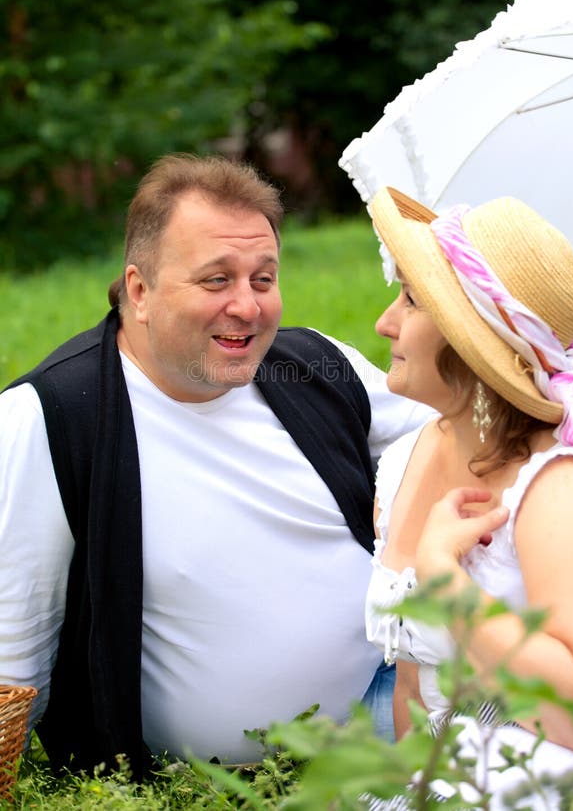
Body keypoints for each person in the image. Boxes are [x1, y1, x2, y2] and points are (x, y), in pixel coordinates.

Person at [0, 154, 430, 777]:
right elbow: (16, 633)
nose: (248, 308)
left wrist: (406, 524)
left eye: (263, 279)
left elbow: (451, 441)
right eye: (215, 280)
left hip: (398, 692)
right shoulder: (55, 416)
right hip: (252, 779)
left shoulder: (314, 364)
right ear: (140, 291)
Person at [364, 186, 573, 808]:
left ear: (471, 337)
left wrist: (447, 580)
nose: (384, 322)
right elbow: (411, 686)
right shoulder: (402, 462)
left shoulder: (558, 489)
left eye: (412, 301)